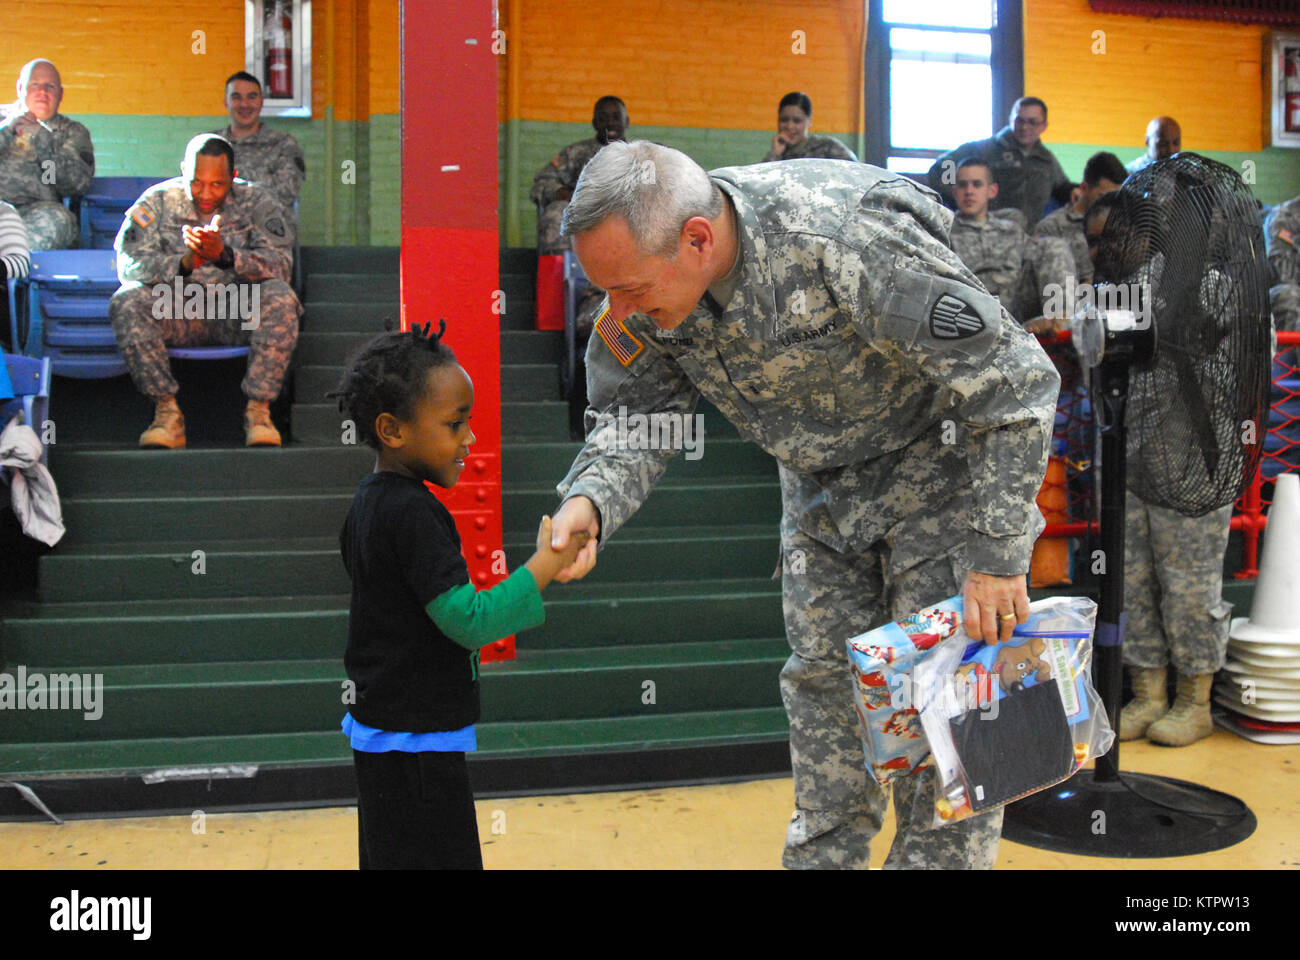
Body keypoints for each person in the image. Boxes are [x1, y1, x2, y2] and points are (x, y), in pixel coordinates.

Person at [550, 141, 1059, 869]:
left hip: (942, 482)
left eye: (629, 289)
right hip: (820, 496)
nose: (621, 311)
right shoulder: (645, 284)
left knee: (954, 722)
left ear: (697, 239)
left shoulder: (845, 235)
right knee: (824, 706)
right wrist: (591, 499)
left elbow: (1016, 380)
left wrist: (1001, 554)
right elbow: (638, 416)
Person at [331, 321, 588, 869]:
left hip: (379, 732)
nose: (469, 439)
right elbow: (469, 621)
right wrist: (543, 567)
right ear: (393, 430)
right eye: (455, 424)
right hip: (418, 744)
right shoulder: (416, 513)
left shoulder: (366, 502)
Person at [1085, 191, 1235, 748]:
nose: (1107, 247)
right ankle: (1147, 693)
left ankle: (1195, 700)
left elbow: (1248, 356)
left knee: (1189, 586)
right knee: (1132, 579)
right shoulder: (1115, 288)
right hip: (1129, 453)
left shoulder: (1217, 285)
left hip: (1194, 457)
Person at [109, 134, 300, 449]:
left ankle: (259, 414)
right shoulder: (156, 202)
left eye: (217, 184)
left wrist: (226, 256)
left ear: (233, 177)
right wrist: (184, 263)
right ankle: (166, 415)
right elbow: (128, 265)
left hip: (235, 309)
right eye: (196, 182)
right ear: (183, 169)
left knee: (280, 296)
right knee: (127, 300)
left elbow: (282, 267)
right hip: (178, 310)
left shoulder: (258, 203)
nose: (206, 194)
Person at [948, 157, 1073, 331]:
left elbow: (1043, 258)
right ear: (955, 192)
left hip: (1016, 304)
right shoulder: (944, 230)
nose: (969, 191)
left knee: (1053, 246)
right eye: (962, 185)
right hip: (971, 308)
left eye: (977, 184)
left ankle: (1061, 325)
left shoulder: (1011, 229)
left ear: (992, 190)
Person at [928, 96, 1069, 227]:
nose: (1025, 127)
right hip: (985, 235)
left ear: (1044, 126)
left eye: (1032, 122)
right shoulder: (986, 149)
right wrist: (957, 195)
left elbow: (1062, 188)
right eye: (1019, 120)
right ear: (1011, 119)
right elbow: (943, 165)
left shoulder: (1046, 160)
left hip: (1026, 240)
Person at [0, 59, 95, 250]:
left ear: (60, 94)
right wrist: (6, 130)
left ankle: (10, 267)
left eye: (50, 86)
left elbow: (74, 186)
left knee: (59, 220)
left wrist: (43, 142)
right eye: (34, 84)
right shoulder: (3, 119)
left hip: (37, 214)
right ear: (20, 88)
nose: (42, 92)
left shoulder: (72, 132)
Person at [530, 96, 630, 257]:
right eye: (603, 118)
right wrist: (560, 192)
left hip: (628, 218)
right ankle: (561, 276)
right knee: (556, 213)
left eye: (616, 117)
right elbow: (542, 182)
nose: (610, 123)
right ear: (594, 123)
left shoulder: (642, 156)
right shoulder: (576, 153)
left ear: (627, 121)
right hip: (584, 216)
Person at [214, 71, 305, 219]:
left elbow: (284, 194)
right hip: (221, 235)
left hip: (270, 236)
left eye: (252, 97)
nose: (244, 104)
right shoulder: (211, 144)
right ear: (226, 103)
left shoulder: (284, 145)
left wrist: (226, 186)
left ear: (261, 102)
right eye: (236, 97)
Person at [1033, 151, 1127, 287]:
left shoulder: (1119, 226)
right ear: (1084, 188)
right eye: (1103, 196)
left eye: (1115, 197)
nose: (1110, 204)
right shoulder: (1051, 227)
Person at [761, 92, 857, 162]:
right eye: (784, 120)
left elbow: (856, 172)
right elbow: (761, 184)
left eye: (797, 121)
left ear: (809, 121)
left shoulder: (826, 147)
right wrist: (775, 153)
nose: (790, 126)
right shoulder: (778, 154)